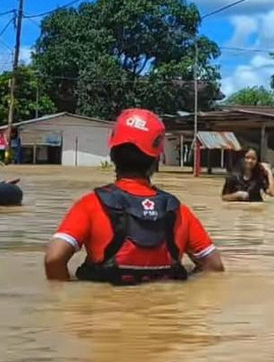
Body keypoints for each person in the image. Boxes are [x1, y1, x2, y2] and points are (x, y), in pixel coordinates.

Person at [44, 108, 224, 284]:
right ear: (156, 160)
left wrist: (64, 294)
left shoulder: (90, 205)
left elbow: (54, 259)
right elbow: (214, 266)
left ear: (112, 154)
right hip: (166, 311)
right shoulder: (179, 212)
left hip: (103, 310)